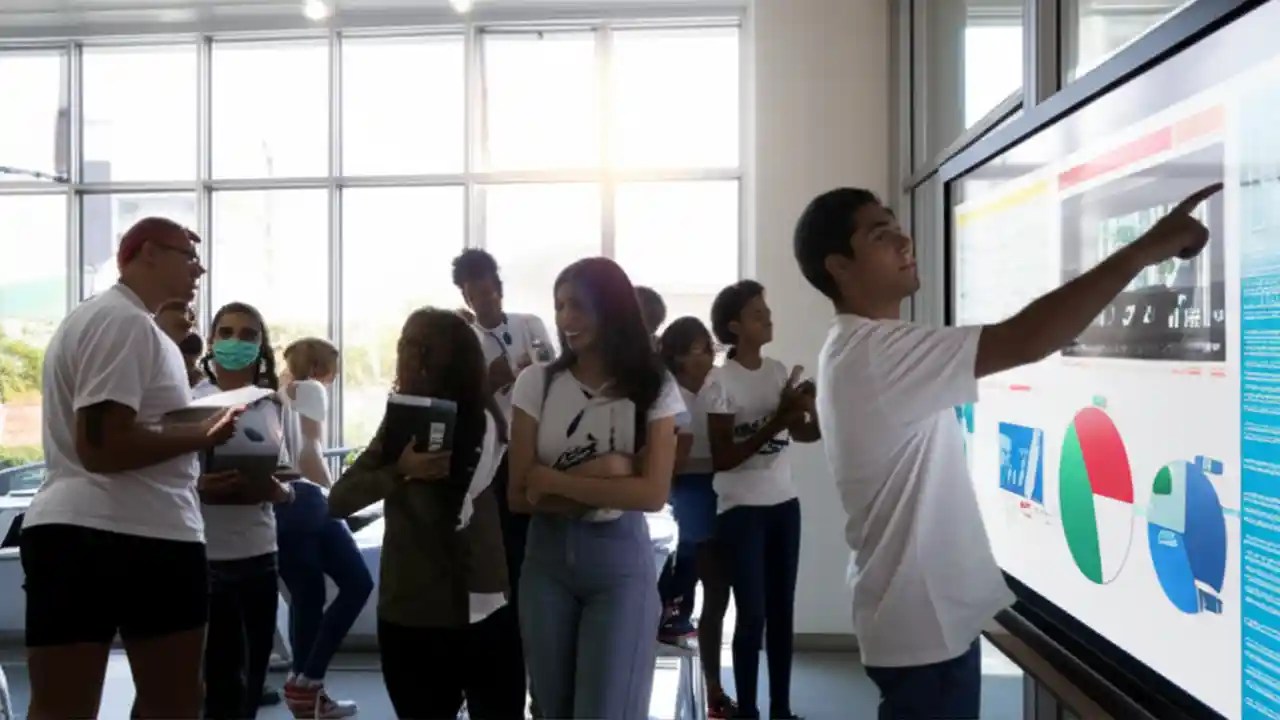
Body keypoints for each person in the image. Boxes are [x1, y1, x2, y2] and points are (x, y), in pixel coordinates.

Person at [791, 185, 1222, 719]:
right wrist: (1143, 250)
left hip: (922, 617)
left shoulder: (861, 346)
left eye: (897, 227)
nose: (905, 240)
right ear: (839, 265)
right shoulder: (874, 351)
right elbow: (1027, 338)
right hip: (923, 627)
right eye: (881, 235)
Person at [19, 217, 239, 720]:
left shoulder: (125, 323)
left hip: (103, 531)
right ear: (146, 254)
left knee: (69, 707)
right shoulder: (122, 322)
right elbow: (101, 443)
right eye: (188, 255)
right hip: (126, 536)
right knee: (165, 705)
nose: (198, 268)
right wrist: (201, 434)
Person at [508, 257, 685, 719]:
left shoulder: (653, 386)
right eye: (561, 306)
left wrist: (556, 481)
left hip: (621, 568)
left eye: (580, 306)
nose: (567, 319)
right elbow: (519, 494)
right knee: (551, 709)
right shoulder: (536, 383)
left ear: (612, 309)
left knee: (607, 710)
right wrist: (610, 472)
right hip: (545, 565)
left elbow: (651, 495)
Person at [329, 308, 525, 720]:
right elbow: (339, 499)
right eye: (409, 345)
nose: (412, 357)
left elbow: (477, 504)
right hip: (415, 606)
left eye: (418, 347)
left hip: (479, 602)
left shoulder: (491, 422)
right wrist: (400, 471)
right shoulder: (400, 423)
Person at [705, 280, 819, 720]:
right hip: (740, 511)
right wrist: (778, 420)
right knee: (751, 615)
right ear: (734, 327)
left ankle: (782, 711)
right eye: (757, 313)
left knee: (781, 614)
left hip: (784, 505)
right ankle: (749, 711)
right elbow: (724, 457)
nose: (767, 317)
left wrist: (809, 406)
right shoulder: (720, 381)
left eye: (766, 309)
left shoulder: (776, 371)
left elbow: (807, 434)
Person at [452, 247, 554, 693]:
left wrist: (534, 375)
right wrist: (490, 383)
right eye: (475, 296)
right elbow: (465, 402)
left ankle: (540, 672)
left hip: (536, 452)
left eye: (490, 292)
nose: (485, 302)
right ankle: (510, 669)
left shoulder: (529, 325)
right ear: (465, 296)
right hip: (493, 459)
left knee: (537, 556)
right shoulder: (464, 342)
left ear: (499, 288)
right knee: (505, 562)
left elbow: (556, 377)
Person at [196, 302, 297, 720]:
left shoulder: (271, 404)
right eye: (227, 332)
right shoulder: (191, 399)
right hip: (205, 557)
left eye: (248, 335)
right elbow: (169, 477)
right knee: (218, 681)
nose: (236, 342)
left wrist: (278, 491)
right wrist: (199, 485)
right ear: (212, 340)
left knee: (252, 683)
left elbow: (289, 480)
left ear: (261, 346)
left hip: (259, 554)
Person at [273, 338, 372, 718]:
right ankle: (309, 679)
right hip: (307, 497)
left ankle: (306, 693)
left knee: (307, 598)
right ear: (319, 368)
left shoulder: (282, 391)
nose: (333, 379)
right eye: (333, 370)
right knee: (357, 583)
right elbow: (309, 451)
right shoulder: (312, 389)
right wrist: (335, 501)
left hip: (281, 505)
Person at [657, 317, 738, 719]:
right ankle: (673, 606)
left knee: (720, 589)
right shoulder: (665, 392)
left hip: (723, 484)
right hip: (688, 486)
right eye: (698, 349)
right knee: (692, 545)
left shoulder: (718, 385)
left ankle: (714, 687)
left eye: (709, 346)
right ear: (676, 356)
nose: (708, 355)